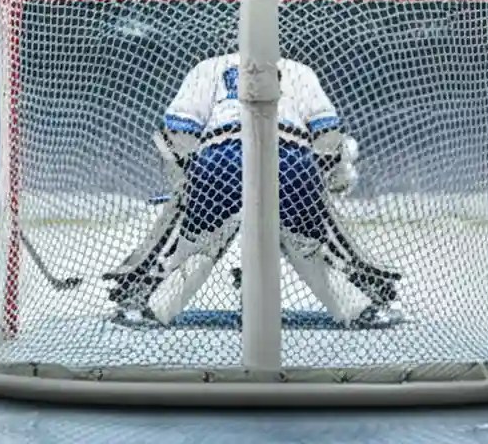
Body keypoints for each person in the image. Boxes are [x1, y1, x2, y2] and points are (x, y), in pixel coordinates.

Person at [104, 52, 400, 326]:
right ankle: (365, 306)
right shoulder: (299, 70)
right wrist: (322, 181)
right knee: (311, 244)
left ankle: (144, 302)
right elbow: (329, 135)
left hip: (221, 156)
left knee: (194, 243)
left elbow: (176, 134)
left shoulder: (208, 67)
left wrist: (187, 186)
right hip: (289, 156)